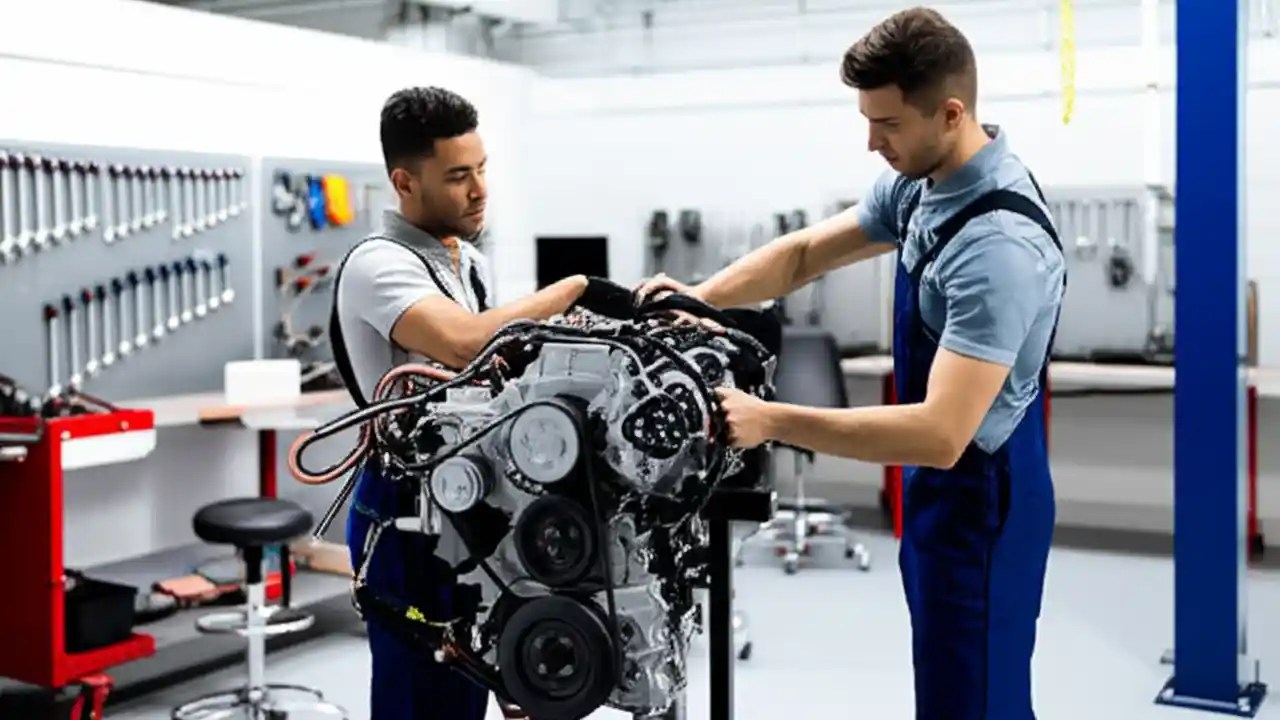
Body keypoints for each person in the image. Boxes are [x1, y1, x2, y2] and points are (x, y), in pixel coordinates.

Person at [638, 7, 1065, 720]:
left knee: (977, 698)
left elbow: (939, 432)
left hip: (981, 497)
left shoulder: (996, 247)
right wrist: (703, 298)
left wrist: (770, 420)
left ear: (951, 114)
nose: (871, 142)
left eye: (888, 125)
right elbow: (805, 254)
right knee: (948, 689)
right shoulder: (921, 186)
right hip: (940, 493)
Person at [329, 86, 592, 720]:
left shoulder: (466, 263)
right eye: (457, 177)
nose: (479, 190)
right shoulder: (377, 264)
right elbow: (464, 341)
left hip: (469, 500)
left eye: (481, 170)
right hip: (404, 512)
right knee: (420, 699)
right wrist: (577, 291)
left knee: (469, 685)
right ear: (404, 182)